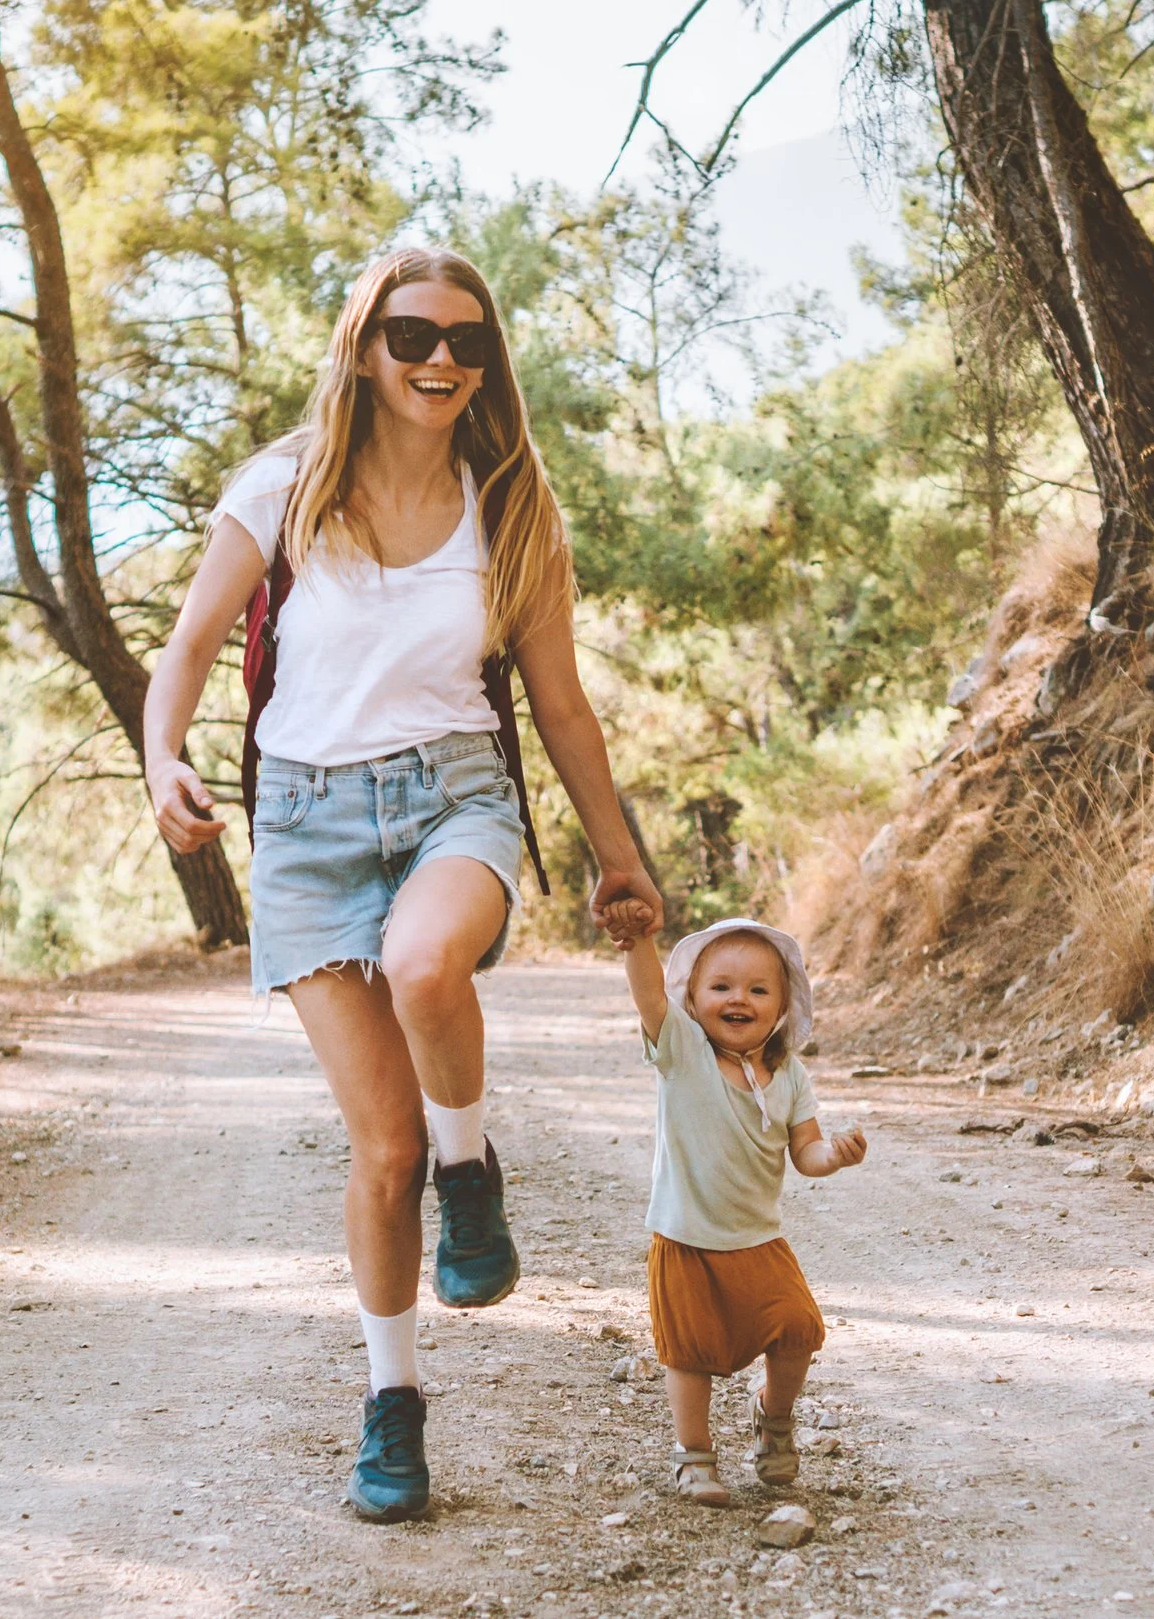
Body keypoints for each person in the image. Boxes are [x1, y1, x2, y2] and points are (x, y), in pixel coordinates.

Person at [141, 247, 663, 1523]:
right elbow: (190, 646)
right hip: (307, 828)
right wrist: (163, 757)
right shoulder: (283, 486)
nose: (441, 361)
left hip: (455, 796)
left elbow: (559, 703)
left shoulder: (513, 503)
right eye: (415, 336)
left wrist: (618, 855)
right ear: (364, 347)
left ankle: (471, 1168)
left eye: (467, 344)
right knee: (380, 1158)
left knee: (430, 966)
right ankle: (393, 1401)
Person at [604, 905, 867, 1506]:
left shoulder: (790, 1075)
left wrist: (836, 1154)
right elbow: (648, 996)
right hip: (686, 1236)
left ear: (782, 1005)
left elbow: (806, 1153)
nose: (738, 999)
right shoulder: (683, 1054)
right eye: (720, 986)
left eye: (757, 989)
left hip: (757, 1239)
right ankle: (693, 1454)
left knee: (799, 1329)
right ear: (693, 1001)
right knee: (689, 1352)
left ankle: (773, 1419)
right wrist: (639, 940)